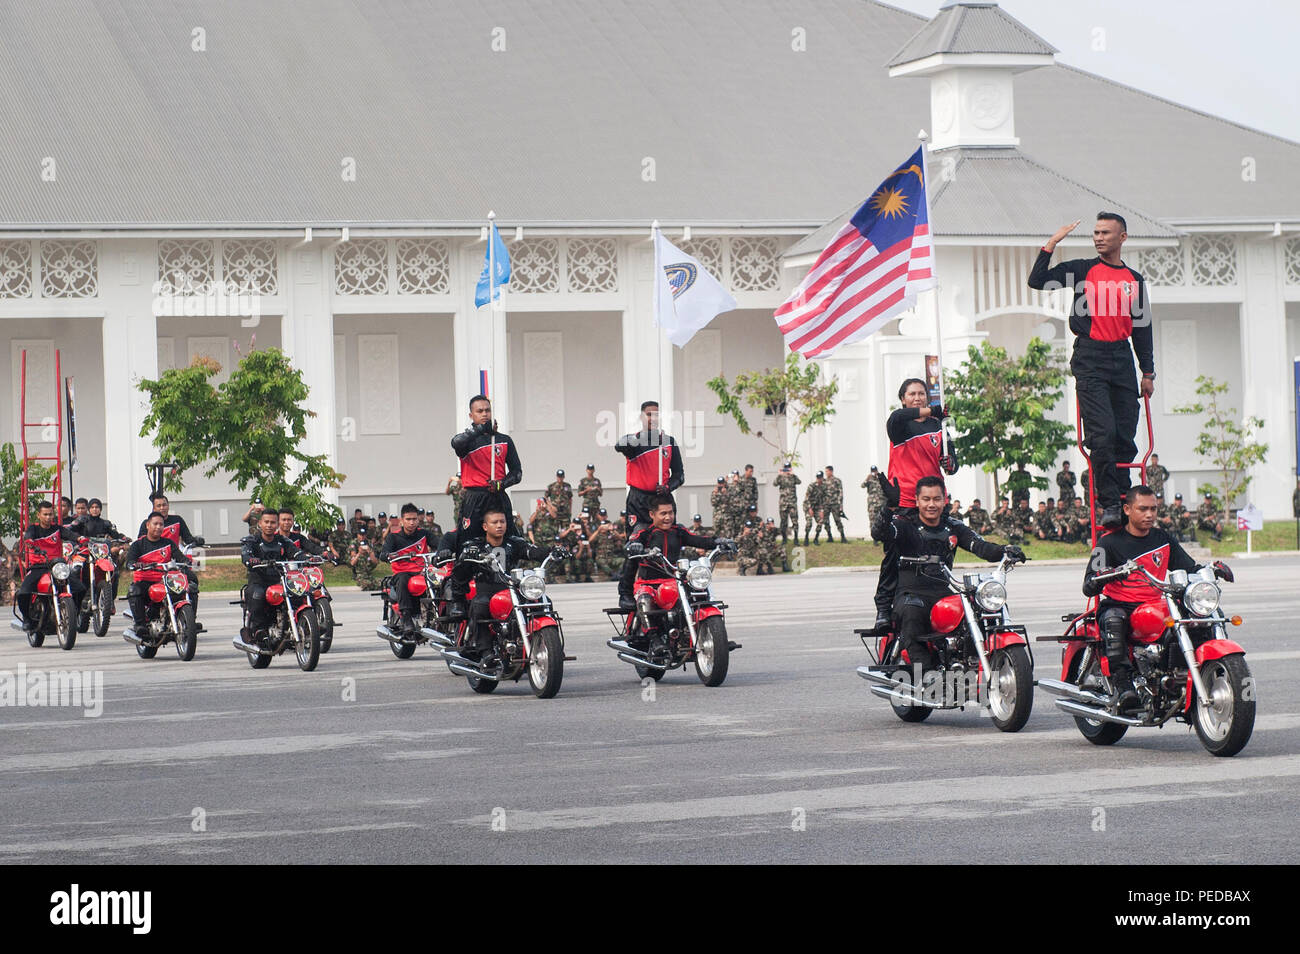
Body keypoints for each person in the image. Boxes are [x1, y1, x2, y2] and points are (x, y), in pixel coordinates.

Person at [1028, 213, 1154, 529]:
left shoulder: (1134, 280)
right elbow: (1037, 280)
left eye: (1105, 233)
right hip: (1090, 356)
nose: (1098, 237)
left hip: (1122, 357)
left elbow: (1142, 328)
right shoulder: (1083, 269)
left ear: (1122, 237)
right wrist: (1052, 243)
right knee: (1103, 434)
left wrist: (1147, 372)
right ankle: (1110, 503)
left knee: (1125, 434)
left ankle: (1126, 499)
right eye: (1095, 232)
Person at [1082, 485, 1229, 711]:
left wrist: (1211, 569)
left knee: (1199, 615)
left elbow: (1189, 567)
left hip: (1154, 604)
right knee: (1114, 619)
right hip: (1119, 604)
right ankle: (1123, 685)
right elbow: (1089, 584)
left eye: (1153, 509)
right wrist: (1106, 574)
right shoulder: (1108, 543)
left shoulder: (1162, 538)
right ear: (1128, 509)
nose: (1149, 514)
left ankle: (1185, 672)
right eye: (1143, 509)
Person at [872, 476, 1019, 670]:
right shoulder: (904, 525)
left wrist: (1006, 550)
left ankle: (969, 662)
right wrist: (889, 507)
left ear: (944, 500)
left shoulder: (953, 526)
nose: (931, 504)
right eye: (926, 499)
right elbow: (879, 533)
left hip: (942, 593)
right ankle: (924, 674)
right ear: (917, 501)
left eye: (936, 499)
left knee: (976, 609)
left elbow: (980, 547)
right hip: (910, 593)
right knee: (912, 614)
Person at [874, 377, 955, 630]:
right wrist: (934, 409)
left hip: (934, 501)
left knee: (941, 550)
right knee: (894, 556)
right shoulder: (900, 425)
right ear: (903, 399)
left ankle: (939, 599)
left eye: (922, 393)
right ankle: (884, 609)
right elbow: (896, 418)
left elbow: (953, 462)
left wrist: (950, 462)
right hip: (906, 501)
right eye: (912, 394)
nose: (918, 397)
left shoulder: (939, 426)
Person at [442, 508, 560, 657]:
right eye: (495, 522)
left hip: (512, 588)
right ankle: (485, 652)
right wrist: (468, 554)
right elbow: (461, 567)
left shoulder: (514, 543)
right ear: (485, 526)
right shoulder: (476, 545)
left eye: (502, 522)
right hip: (487, 589)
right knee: (479, 606)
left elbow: (531, 551)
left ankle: (550, 647)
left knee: (543, 601)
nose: (499, 525)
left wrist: (552, 551)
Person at [618, 494, 728, 614]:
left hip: (674, 582)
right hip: (648, 584)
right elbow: (633, 541)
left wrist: (719, 542)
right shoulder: (644, 531)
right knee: (645, 602)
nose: (668, 517)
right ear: (652, 514)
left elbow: (699, 540)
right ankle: (649, 630)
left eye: (671, 513)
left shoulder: (678, 531)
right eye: (663, 513)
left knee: (694, 596)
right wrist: (635, 545)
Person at [450, 394, 522, 541]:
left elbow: (517, 472)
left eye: (487, 410)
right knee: (468, 542)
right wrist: (481, 429)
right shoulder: (467, 442)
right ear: (471, 415)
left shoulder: (504, 440)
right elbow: (456, 443)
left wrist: (502, 483)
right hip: (474, 498)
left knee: (508, 540)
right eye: (480, 411)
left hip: (498, 495)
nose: (484, 414)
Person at [614, 400, 684, 538]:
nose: (653, 418)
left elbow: (679, 475)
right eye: (648, 415)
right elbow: (619, 446)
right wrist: (632, 439)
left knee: (668, 539)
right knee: (636, 540)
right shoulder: (635, 442)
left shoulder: (669, 442)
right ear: (641, 417)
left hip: (661, 498)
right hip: (638, 500)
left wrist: (668, 487)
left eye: (656, 415)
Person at [14, 500, 87, 633]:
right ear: (39, 515)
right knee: (23, 593)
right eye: (45, 514)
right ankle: (27, 619)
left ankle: (73, 614)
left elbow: (70, 535)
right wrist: (29, 542)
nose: (48, 517)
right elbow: (28, 537)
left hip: (57, 566)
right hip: (38, 567)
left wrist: (80, 539)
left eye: (50, 514)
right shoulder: (33, 529)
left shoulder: (57, 529)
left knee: (80, 588)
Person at [124, 511, 195, 638]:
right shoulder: (138, 545)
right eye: (155, 524)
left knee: (191, 587)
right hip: (145, 582)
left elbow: (179, 557)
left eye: (161, 524)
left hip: (164, 581)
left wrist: (186, 561)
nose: (158, 527)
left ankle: (190, 621)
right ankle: (140, 625)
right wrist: (135, 564)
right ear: (147, 525)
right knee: (134, 590)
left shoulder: (168, 543)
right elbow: (130, 561)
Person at [240, 508, 304, 642]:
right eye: (266, 522)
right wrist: (251, 559)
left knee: (298, 593)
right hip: (259, 580)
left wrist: (305, 557)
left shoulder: (282, 541)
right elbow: (246, 554)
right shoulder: (252, 540)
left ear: (277, 524)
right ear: (260, 523)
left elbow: (295, 551)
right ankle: (258, 631)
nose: (269, 525)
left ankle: (303, 624)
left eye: (273, 522)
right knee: (258, 595)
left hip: (279, 580)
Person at [379, 503, 442, 634]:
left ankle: (441, 614)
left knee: (442, 579)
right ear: (402, 521)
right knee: (402, 580)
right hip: (403, 572)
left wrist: (444, 551)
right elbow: (383, 553)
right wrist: (388, 555)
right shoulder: (393, 537)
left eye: (414, 519)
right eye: (408, 519)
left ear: (418, 520)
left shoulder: (424, 534)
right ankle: (406, 618)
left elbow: (439, 544)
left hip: (422, 571)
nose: (412, 522)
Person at [773, 464, 801, 545]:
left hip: (792, 503)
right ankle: (784, 538)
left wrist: (793, 474)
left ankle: (796, 539)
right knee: (783, 522)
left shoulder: (793, 477)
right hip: (783, 503)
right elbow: (774, 484)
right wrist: (779, 475)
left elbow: (799, 482)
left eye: (788, 468)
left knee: (795, 521)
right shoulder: (781, 477)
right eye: (785, 468)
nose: (787, 470)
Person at [822, 466, 848, 543]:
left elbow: (840, 493)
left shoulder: (837, 480)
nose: (826, 473)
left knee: (837, 520)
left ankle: (843, 537)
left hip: (835, 504)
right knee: (826, 521)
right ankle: (830, 537)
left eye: (827, 471)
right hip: (826, 504)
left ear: (831, 471)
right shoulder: (824, 481)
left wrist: (840, 505)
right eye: (825, 471)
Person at [805, 472, 827, 545]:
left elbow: (823, 499)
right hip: (808, 506)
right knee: (809, 523)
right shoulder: (812, 486)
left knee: (821, 520)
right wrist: (810, 509)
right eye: (817, 477)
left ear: (822, 478)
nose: (818, 479)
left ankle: (816, 539)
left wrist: (822, 510)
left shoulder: (824, 486)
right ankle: (806, 538)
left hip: (817, 507)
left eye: (820, 477)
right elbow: (807, 498)